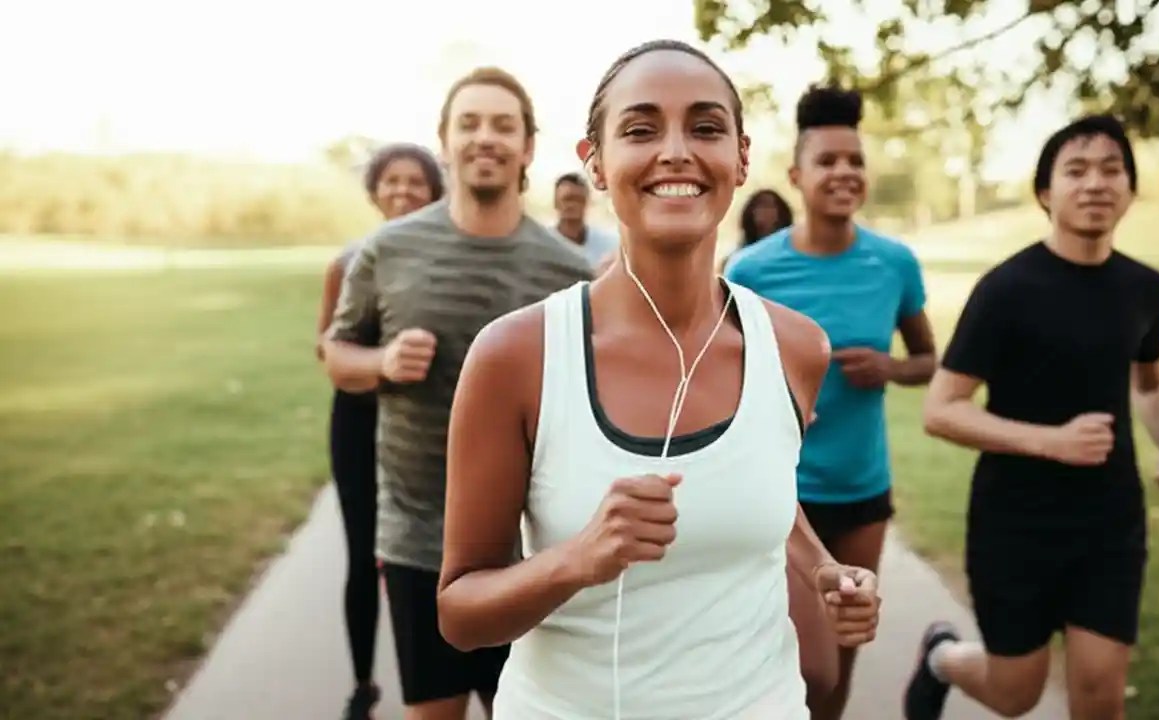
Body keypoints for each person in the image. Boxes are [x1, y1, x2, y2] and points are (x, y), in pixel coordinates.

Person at [435, 39, 882, 720]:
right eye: (640, 130)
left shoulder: (796, 347)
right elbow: (460, 615)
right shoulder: (517, 356)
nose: (675, 151)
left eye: (705, 127)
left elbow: (755, 475)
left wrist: (820, 565)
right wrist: (577, 559)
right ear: (596, 165)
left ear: (740, 158)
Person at [323, 67, 595, 720]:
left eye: (504, 125)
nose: (486, 138)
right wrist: (383, 361)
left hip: (534, 548)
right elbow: (336, 354)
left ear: (528, 147)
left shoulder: (569, 272)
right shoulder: (387, 251)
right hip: (420, 541)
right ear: (444, 142)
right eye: (469, 124)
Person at [905, 114, 1159, 720]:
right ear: (1046, 192)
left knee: (1099, 695)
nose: (1096, 184)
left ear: (1131, 191)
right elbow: (941, 410)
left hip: (1110, 521)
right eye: (1076, 170)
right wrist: (1051, 442)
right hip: (1016, 523)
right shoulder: (1007, 290)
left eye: (1112, 170)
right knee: (1016, 694)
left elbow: (1149, 382)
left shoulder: (1145, 287)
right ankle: (941, 655)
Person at [725, 82, 936, 720]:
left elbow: (930, 362)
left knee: (841, 656)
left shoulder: (894, 263)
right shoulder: (752, 271)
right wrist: (776, 395)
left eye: (855, 162)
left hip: (863, 490)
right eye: (828, 161)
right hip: (786, 495)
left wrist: (891, 366)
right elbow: (714, 374)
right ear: (796, 174)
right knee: (802, 663)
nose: (844, 173)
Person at [315, 142, 445, 720]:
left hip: (427, 425)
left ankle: (448, 672)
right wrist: (382, 363)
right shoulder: (348, 261)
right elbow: (328, 349)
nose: (403, 191)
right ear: (374, 190)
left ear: (434, 190)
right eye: (391, 181)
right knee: (364, 552)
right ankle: (363, 683)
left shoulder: (449, 254)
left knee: (427, 553)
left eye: (415, 182)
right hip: (360, 420)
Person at [550, 171, 620, 273]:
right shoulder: (542, 244)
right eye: (567, 199)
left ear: (587, 202)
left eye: (578, 199)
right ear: (555, 202)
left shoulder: (610, 245)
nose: (572, 205)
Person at [717, 188, 793, 273]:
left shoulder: (791, 260)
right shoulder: (736, 262)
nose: (763, 211)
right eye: (760, 206)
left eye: (769, 206)